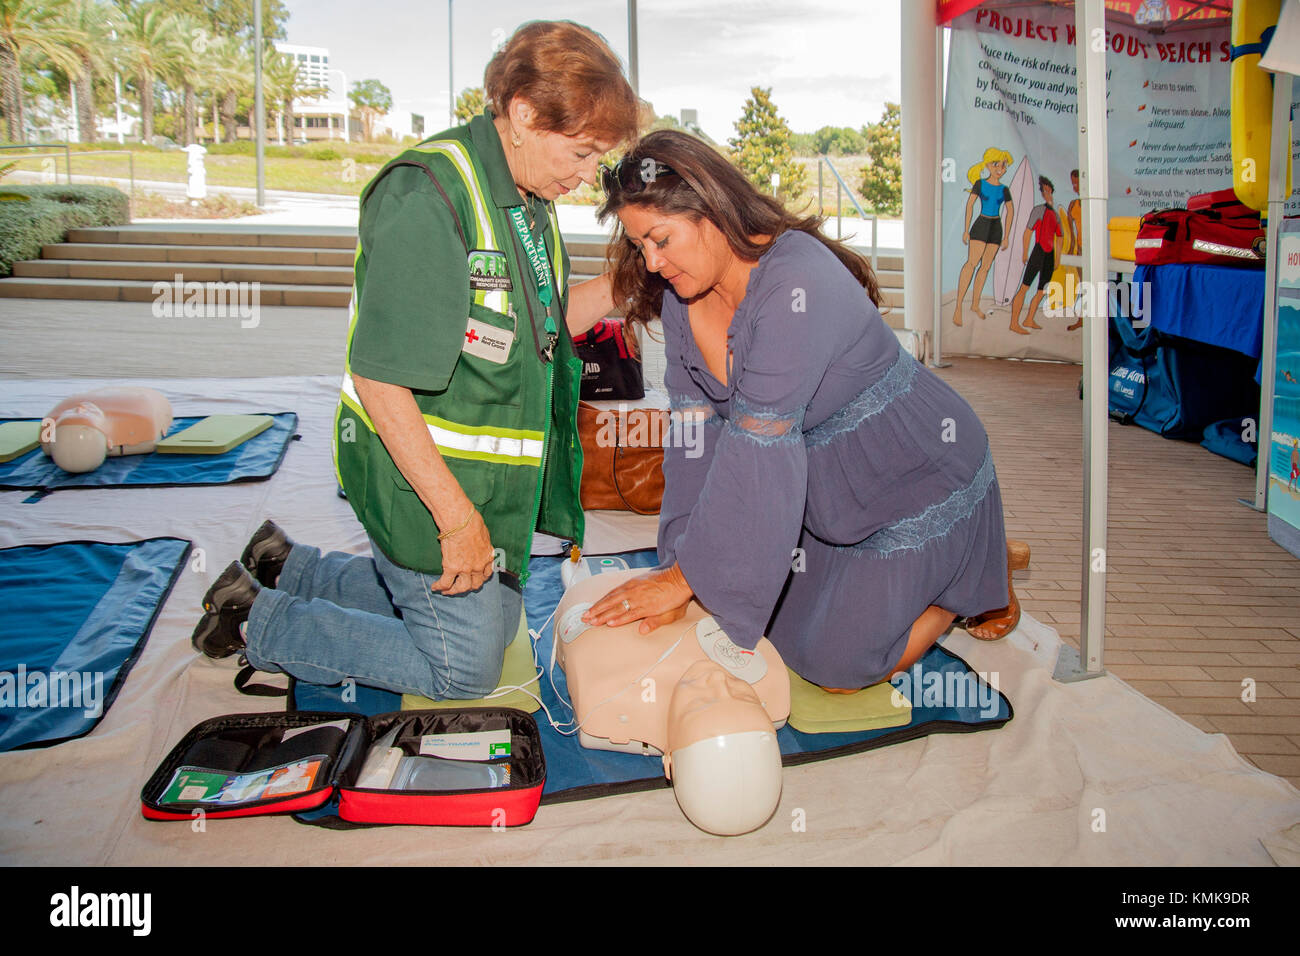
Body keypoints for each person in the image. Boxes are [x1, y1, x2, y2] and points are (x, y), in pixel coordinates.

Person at [189, 21, 640, 701]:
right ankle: (257, 616)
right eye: (580, 152)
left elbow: (543, 325)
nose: (588, 176)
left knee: (494, 619)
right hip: (419, 484)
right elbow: (379, 377)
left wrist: (625, 285)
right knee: (465, 667)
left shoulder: (527, 197)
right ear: (521, 114)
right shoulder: (427, 198)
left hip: (485, 485)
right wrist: (457, 522)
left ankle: (286, 566)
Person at [582, 130, 1026, 694]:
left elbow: (753, 450)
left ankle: (965, 579)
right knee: (766, 624)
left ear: (710, 209)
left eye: (660, 239)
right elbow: (693, 442)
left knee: (835, 667)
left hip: (918, 477)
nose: (651, 261)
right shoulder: (678, 297)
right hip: (826, 494)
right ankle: (966, 562)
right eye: (640, 244)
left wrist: (682, 579)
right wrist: (679, 567)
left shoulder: (798, 281)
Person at [953, 147, 1014, 327]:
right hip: (981, 226)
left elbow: (1010, 211)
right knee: (971, 264)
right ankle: (958, 307)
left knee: (985, 267)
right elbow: (970, 206)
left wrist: (1007, 236)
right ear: (988, 165)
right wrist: (966, 229)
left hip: (996, 228)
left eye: (1003, 165)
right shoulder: (980, 184)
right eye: (996, 164)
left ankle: (974, 304)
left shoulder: (1004, 189)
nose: (999, 168)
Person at [1008, 175, 1063, 335]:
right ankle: (1013, 323)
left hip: (1050, 255)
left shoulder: (1055, 214)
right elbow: (1027, 232)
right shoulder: (1038, 210)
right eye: (1044, 190)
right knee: (1025, 287)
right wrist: (1025, 252)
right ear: (1042, 192)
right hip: (1038, 251)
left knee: (1042, 290)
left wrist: (1057, 258)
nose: (1048, 193)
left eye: (1049, 190)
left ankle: (1029, 319)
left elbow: (1060, 237)